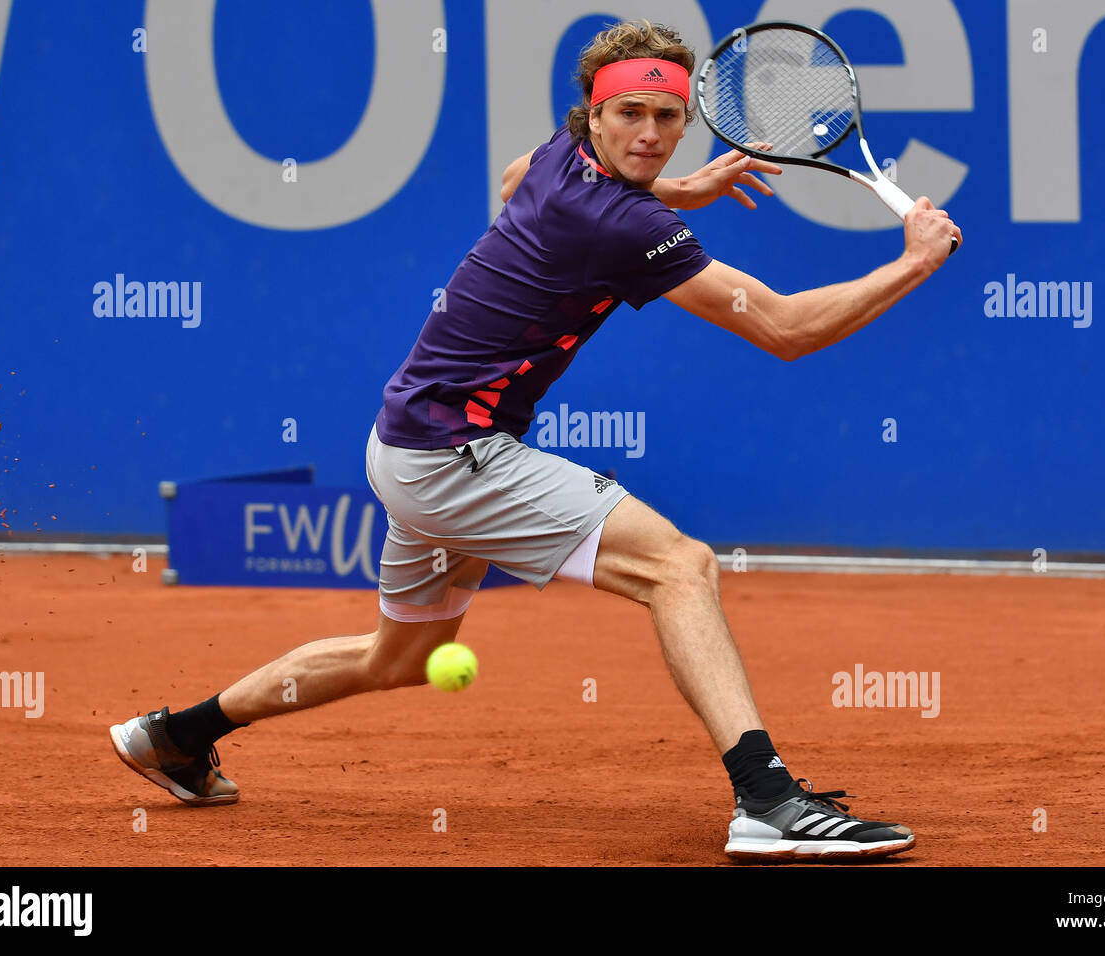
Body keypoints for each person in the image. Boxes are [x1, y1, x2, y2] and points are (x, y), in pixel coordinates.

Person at [110, 18, 960, 862]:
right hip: (454, 455)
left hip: (404, 445)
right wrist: (913, 263)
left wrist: (676, 191)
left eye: (667, 119)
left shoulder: (558, 159)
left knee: (399, 659)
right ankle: (767, 800)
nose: (652, 134)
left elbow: (517, 178)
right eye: (630, 115)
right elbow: (782, 328)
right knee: (681, 564)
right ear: (594, 117)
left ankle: (177, 736)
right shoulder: (627, 227)